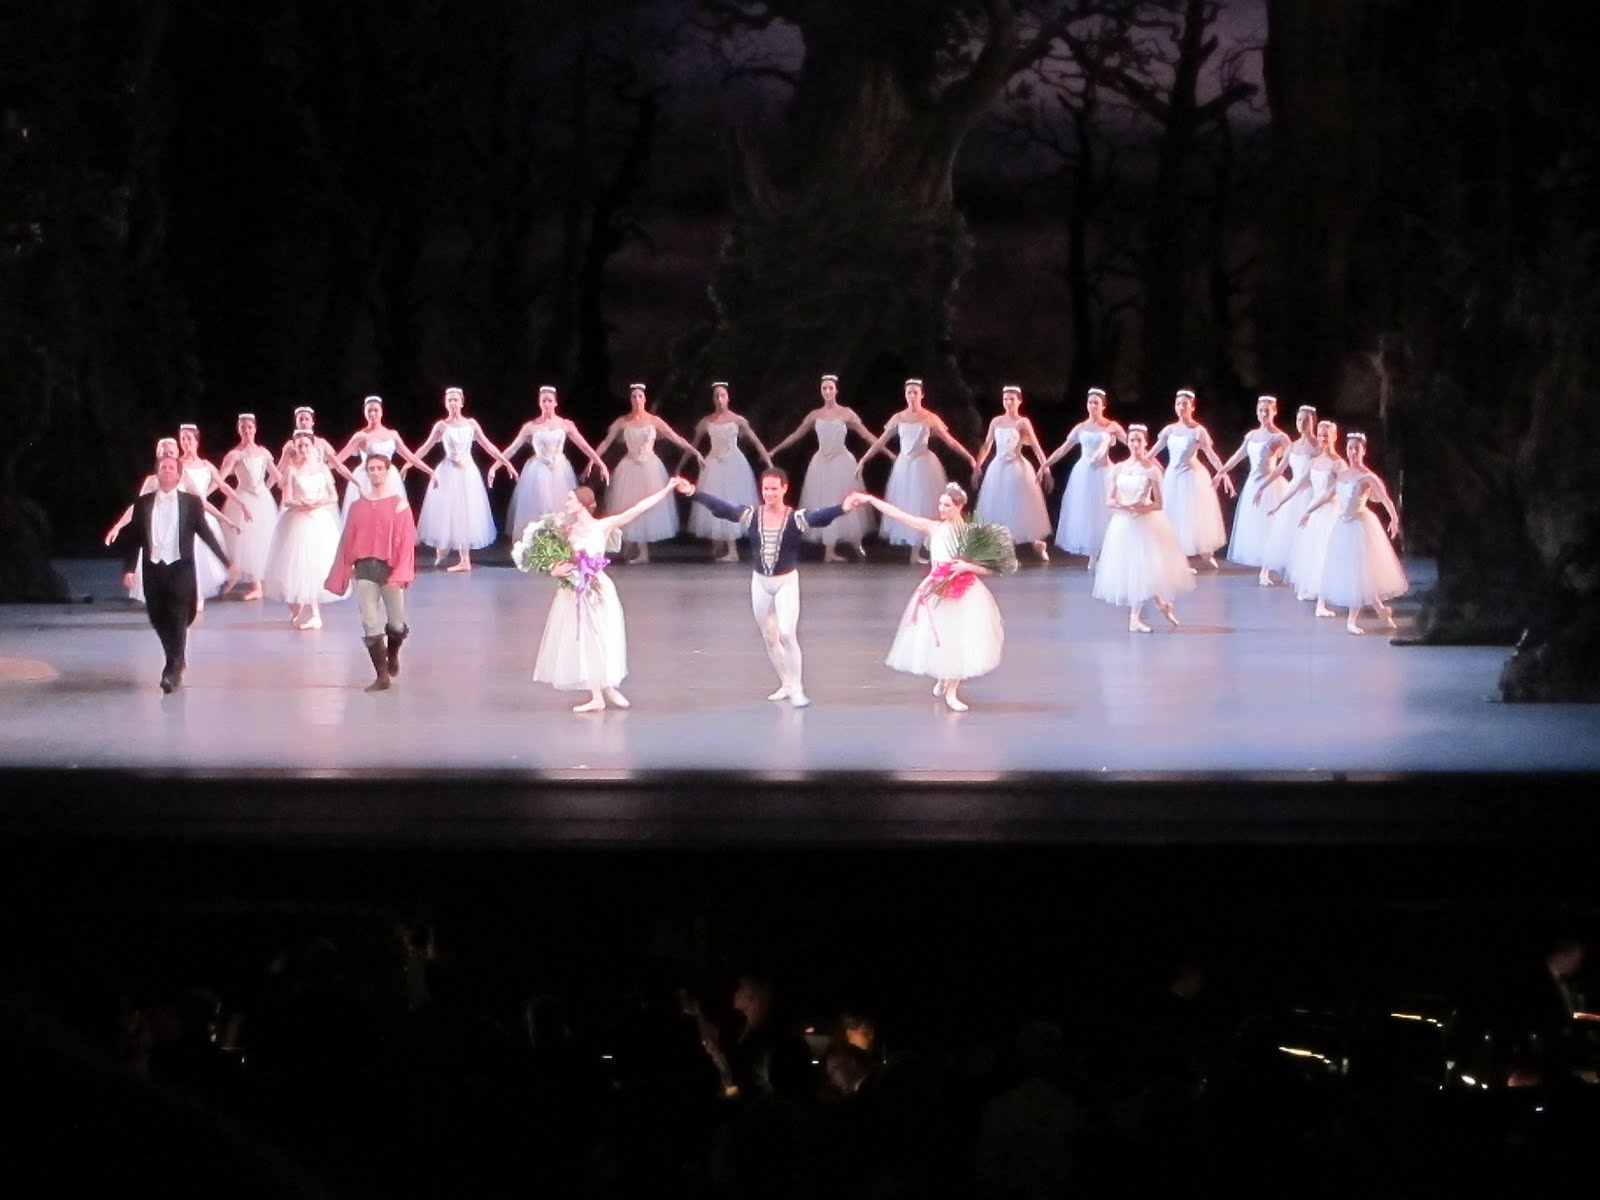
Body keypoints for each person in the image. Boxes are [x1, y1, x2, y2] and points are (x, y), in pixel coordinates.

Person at [676, 469, 865, 707]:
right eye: (766, 489)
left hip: (786, 582)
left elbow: (820, 517)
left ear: (784, 489)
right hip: (761, 582)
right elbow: (723, 508)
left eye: (774, 489)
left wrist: (843, 508)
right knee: (769, 636)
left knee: (786, 633)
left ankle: (797, 687)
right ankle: (786, 683)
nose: (769, 493)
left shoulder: (795, 518)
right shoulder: (752, 515)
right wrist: (693, 492)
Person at [531, 477, 686, 712]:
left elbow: (638, 509)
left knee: (602, 636)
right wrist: (556, 570)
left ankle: (607, 686)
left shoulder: (601, 526)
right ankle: (598, 695)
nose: (566, 503)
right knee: (586, 638)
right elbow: (557, 562)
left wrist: (667, 489)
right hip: (575, 590)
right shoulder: (567, 532)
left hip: (597, 589)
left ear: (582, 502)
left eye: (571, 499)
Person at [848, 482, 1004, 711]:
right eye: (940, 504)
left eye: (947, 505)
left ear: (959, 506)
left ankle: (952, 690)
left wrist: (967, 566)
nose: (941, 509)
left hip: (963, 591)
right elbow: (899, 515)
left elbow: (991, 566)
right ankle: (943, 674)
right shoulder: (934, 528)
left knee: (958, 637)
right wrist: (870, 499)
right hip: (937, 588)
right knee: (939, 635)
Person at [116, 454, 235, 692]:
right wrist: (129, 568)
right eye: (164, 467)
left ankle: (171, 669)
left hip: (181, 568)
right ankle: (177, 658)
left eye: (172, 468)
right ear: (157, 473)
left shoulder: (191, 502)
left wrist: (225, 561)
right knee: (158, 617)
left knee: (178, 616)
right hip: (153, 568)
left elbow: (205, 533)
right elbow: (136, 539)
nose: (168, 471)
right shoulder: (144, 503)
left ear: (179, 475)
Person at [858, 378, 978, 562]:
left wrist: (969, 457)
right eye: (909, 392)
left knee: (923, 505)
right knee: (907, 505)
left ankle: (925, 549)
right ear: (905, 395)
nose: (912, 395)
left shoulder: (929, 418)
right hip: (904, 466)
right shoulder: (898, 418)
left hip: (924, 465)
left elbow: (950, 441)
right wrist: (863, 460)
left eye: (915, 392)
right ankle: (914, 552)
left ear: (922, 395)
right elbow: (880, 442)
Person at [325, 454, 417, 691]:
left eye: (379, 468)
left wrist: (402, 572)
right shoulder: (357, 507)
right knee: (369, 621)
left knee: (396, 624)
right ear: (366, 472)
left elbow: (407, 541)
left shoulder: (399, 504)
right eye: (371, 469)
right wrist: (345, 568)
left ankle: (392, 654)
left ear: (387, 471)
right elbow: (347, 539)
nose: (375, 473)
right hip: (364, 568)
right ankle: (382, 676)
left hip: (390, 569)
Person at [1092, 424, 1195, 632]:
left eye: (1139, 440)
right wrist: (1125, 507)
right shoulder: (1119, 468)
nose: (1135, 443)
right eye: (1132, 440)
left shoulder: (1151, 470)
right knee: (1134, 568)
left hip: (1145, 522)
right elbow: (1109, 500)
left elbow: (1159, 503)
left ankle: (1138, 616)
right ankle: (1156, 607)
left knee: (1144, 567)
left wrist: (1140, 508)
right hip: (1123, 523)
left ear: (1146, 442)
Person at [1303, 431, 1407, 634]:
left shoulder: (1368, 477)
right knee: (1355, 572)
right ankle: (1382, 611)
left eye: (1356, 449)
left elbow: (1385, 499)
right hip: (1342, 526)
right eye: (1350, 448)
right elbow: (1327, 496)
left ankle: (1352, 620)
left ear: (1363, 451)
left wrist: (1394, 519)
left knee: (1358, 572)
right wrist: (1308, 512)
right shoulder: (1342, 475)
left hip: (1360, 526)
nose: (1352, 452)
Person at [766, 374, 878, 561]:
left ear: (836, 390)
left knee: (847, 500)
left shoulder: (846, 413)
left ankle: (856, 542)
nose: (827, 391)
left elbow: (866, 435)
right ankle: (829, 550)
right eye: (824, 388)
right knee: (826, 502)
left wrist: (886, 450)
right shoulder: (815, 415)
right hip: (821, 463)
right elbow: (796, 434)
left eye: (830, 388)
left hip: (842, 461)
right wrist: (775, 450)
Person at [592, 382, 703, 563]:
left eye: (640, 396)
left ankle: (642, 552)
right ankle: (631, 548)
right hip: (629, 466)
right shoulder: (623, 421)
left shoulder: (654, 421)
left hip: (650, 467)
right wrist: (593, 459)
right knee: (629, 506)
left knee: (645, 505)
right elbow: (606, 442)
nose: (637, 400)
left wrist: (695, 452)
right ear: (630, 399)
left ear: (645, 399)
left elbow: (675, 437)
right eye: (634, 397)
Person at [412, 386, 517, 571]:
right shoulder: (441, 426)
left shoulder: (471, 424)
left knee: (465, 511)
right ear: (445, 403)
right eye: (449, 400)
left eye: (455, 399)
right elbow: (425, 448)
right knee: (446, 510)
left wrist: (506, 463)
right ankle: (443, 547)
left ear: (462, 402)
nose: (452, 403)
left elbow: (489, 446)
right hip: (448, 471)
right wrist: (409, 463)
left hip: (467, 473)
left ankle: (464, 560)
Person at [495, 386, 609, 540]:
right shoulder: (531, 426)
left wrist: (600, 463)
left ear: (556, 403)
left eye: (549, 401)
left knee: (561, 509)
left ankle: (559, 545)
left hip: (560, 470)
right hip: (538, 471)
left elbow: (584, 446)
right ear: (539, 403)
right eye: (543, 401)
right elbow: (512, 449)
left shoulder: (565, 424)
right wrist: (495, 466)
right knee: (539, 510)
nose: (547, 404)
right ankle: (540, 546)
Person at [262, 430, 346, 629]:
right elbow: (287, 499)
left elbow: (333, 496)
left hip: (318, 519)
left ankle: (315, 614)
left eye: (306, 445)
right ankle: (303, 610)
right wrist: (302, 504)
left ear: (312, 447)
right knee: (299, 567)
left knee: (315, 566)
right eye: (299, 446)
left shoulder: (322, 468)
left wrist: (318, 503)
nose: (303, 449)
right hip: (298, 519)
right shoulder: (291, 470)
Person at [684, 381, 774, 562]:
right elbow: (693, 445)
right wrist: (681, 465)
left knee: (731, 501)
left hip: (734, 464)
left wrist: (770, 464)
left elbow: (756, 442)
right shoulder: (707, 421)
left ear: (728, 397)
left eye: (723, 395)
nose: (720, 399)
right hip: (714, 464)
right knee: (715, 502)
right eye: (716, 396)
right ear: (713, 399)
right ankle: (720, 547)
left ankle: (733, 550)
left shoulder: (737, 420)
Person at [1039, 388, 1127, 568]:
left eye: (1096, 402)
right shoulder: (1081, 428)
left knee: (1108, 511)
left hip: (1104, 472)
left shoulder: (1111, 426)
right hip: (1084, 474)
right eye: (1090, 402)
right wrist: (1044, 465)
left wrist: (1150, 459)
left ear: (1103, 405)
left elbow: (1132, 444)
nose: (1093, 406)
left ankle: (1110, 550)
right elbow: (1063, 449)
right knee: (1089, 512)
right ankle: (1093, 554)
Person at [1212, 396, 1291, 585]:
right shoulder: (1252, 436)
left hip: (1271, 485)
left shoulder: (1280, 437)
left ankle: (1268, 569)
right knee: (1256, 526)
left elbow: (1290, 460)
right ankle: (1264, 565)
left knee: (1272, 525)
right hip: (1252, 484)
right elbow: (1237, 456)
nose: (1264, 414)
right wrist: (1221, 472)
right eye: (1261, 410)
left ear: (1274, 411)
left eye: (1267, 411)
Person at [1270, 418, 1345, 617]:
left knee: (1326, 554)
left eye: (1326, 435)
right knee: (1312, 551)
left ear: (1334, 437)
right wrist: (1279, 504)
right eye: (1320, 435)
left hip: (1329, 511)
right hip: (1315, 510)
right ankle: (1310, 589)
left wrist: (1310, 511)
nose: (1322, 439)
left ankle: (1322, 601)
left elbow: (1331, 494)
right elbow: (1297, 485)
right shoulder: (1314, 462)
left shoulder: (1339, 464)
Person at [1150, 390, 1229, 569]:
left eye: (1184, 404)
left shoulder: (1198, 431)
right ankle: (1177, 556)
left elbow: (1211, 455)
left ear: (1192, 407)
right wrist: (1151, 467)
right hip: (1173, 477)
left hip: (1191, 477)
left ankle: (1205, 552)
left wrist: (1223, 472)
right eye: (1178, 404)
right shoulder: (1169, 430)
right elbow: (1151, 454)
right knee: (1173, 514)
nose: (1181, 407)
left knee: (1193, 515)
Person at [973, 385, 1053, 561]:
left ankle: (1037, 544)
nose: (1008, 402)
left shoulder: (1023, 422)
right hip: (998, 468)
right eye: (1005, 399)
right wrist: (977, 466)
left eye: (1012, 399)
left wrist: (1046, 469)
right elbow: (987, 445)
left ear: (1019, 401)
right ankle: (1004, 548)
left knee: (1022, 507)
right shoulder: (996, 421)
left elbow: (1036, 447)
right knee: (998, 507)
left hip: (1017, 468)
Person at [333, 395, 435, 520]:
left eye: (376, 410)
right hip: (367, 478)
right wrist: (321, 468)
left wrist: (430, 471)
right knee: (369, 516)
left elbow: (411, 457)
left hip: (389, 478)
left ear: (381, 412)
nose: (372, 414)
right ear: (365, 413)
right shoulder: (361, 436)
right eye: (369, 411)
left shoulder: (392, 435)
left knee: (389, 515)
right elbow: (339, 458)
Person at [216, 413, 282, 600]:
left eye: (250, 427)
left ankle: (257, 585)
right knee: (241, 540)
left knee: (260, 540)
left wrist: (269, 488)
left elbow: (277, 475)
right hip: (243, 498)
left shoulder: (263, 453)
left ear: (255, 429)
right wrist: (205, 490)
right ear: (239, 430)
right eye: (243, 427)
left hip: (262, 500)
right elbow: (220, 478)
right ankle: (233, 577)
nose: (247, 431)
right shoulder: (235, 454)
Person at [1257, 404, 1319, 583]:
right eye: (1299, 420)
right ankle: (1265, 571)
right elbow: (1279, 469)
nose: (1301, 424)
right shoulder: (1292, 446)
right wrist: (1262, 486)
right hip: (1293, 489)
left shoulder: (1318, 447)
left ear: (1313, 422)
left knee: (1307, 533)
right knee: (1283, 529)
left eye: (1306, 420)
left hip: (1309, 491)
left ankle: (1305, 572)